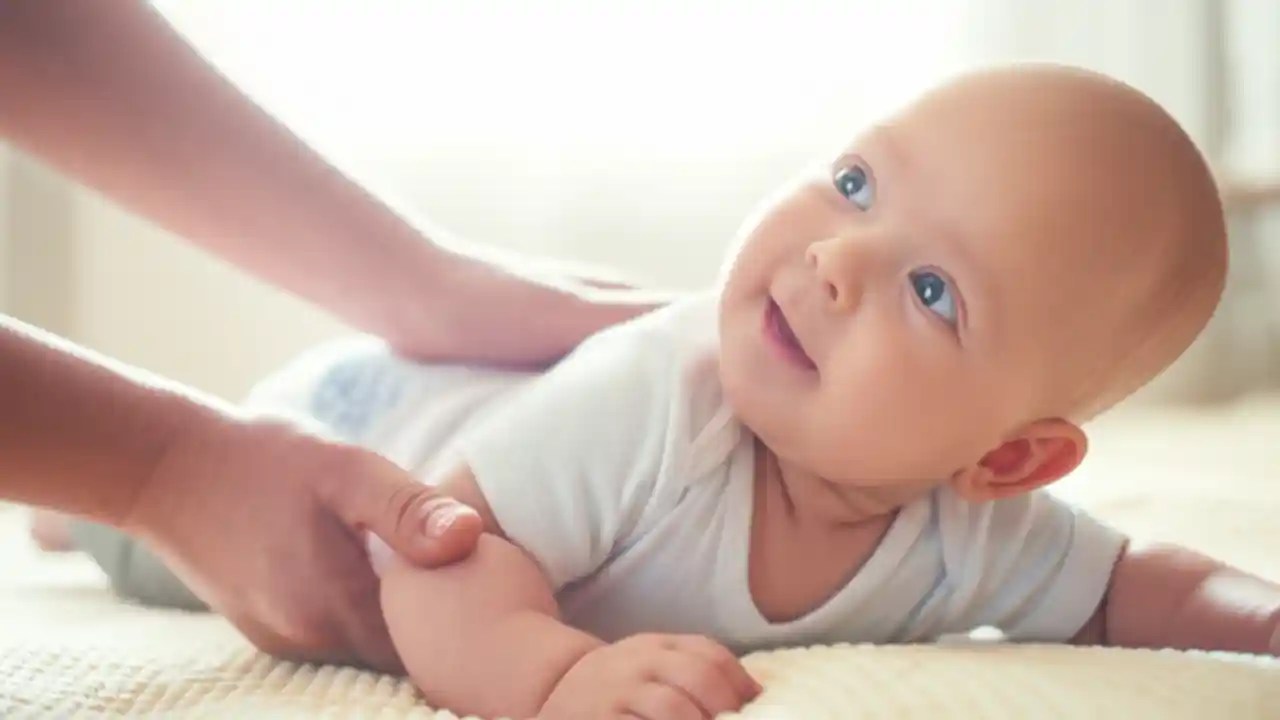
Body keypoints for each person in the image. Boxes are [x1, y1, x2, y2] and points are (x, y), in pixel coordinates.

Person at [43, 65, 1280, 720]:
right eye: (855, 186)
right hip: (365, 430)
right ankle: (61, 514)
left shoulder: (970, 537)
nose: (835, 262)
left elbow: (1127, 589)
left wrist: (1256, 614)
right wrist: (547, 678)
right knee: (151, 544)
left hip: (419, 424)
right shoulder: (659, 396)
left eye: (932, 293)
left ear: (1006, 460)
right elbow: (444, 555)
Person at [0, 1, 656, 674]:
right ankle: (67, 523)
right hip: (337, 434)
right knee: (170, 554)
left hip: (347, 408)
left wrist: (429, 284)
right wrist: (161, 470)